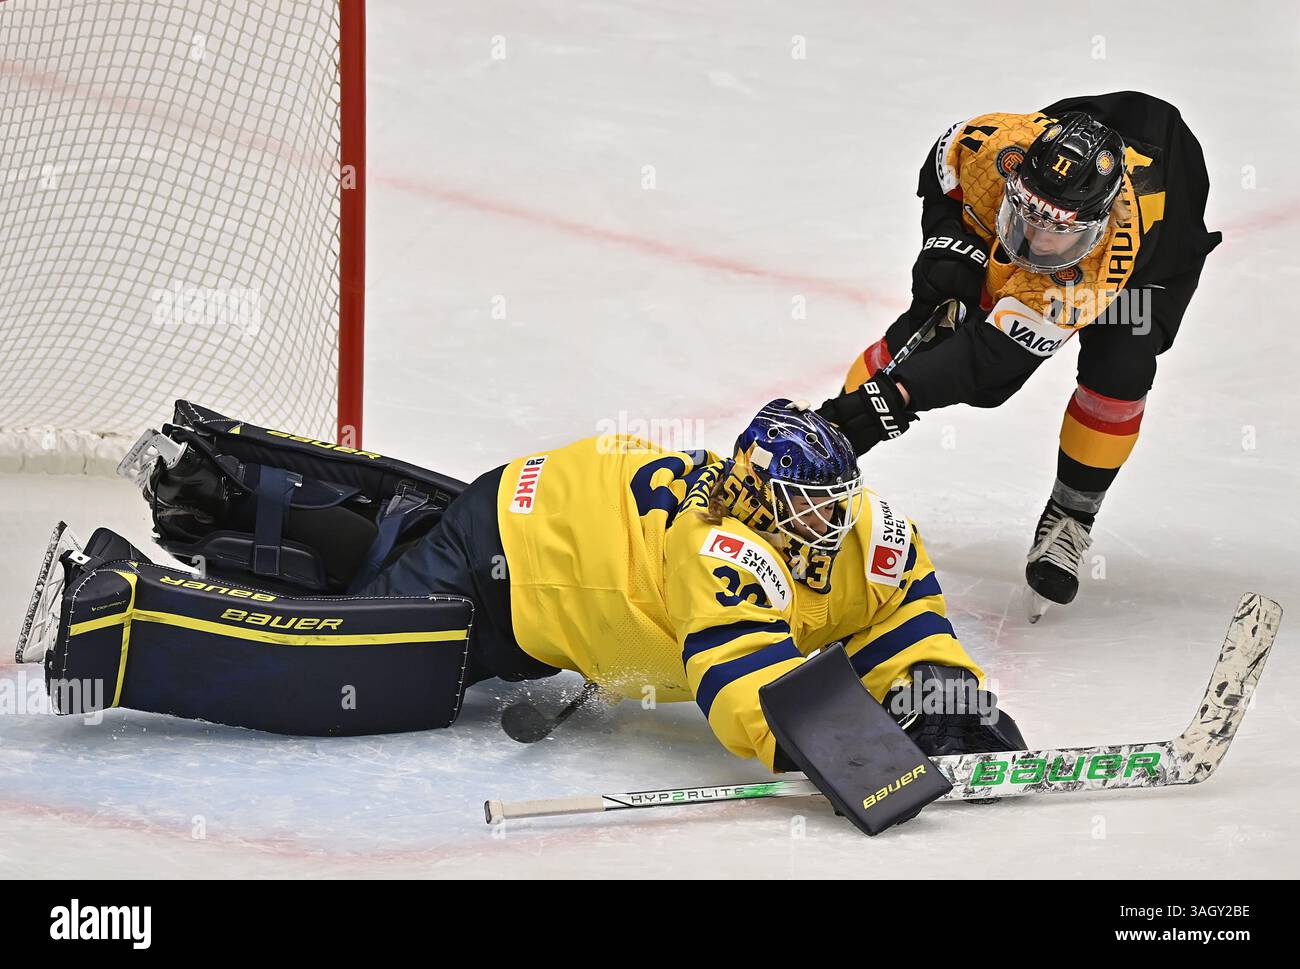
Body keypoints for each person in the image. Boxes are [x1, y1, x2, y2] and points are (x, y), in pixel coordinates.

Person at [19, 398, 1024, 776]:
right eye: (806, 507)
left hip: (537, 529)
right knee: (342, 672)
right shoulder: (722, 555)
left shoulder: (862, 534)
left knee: (380, 581)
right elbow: (747, 695)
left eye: (836, 501)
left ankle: (236, 496)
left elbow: (903, 616)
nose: (830, 523)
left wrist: (941, 698)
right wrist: (863, 753)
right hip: (502, 568)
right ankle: (119, 603)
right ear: (761, 503)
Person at [818, 92, 1221, 616]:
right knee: (933, 319)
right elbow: (945, 165)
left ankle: (1071, 517)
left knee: (1119, 366)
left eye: (1056, 232)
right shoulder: (997, 144)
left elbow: (989, 364)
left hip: (1154, 259)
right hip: (1091, 170)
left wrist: (895, 398)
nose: (1032, 242)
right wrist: (947, 239)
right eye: (1025, 216)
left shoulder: (1097, 268)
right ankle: (820, 458)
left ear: (1091, 228)